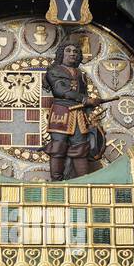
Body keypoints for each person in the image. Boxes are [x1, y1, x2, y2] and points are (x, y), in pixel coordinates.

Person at [43, 39, 105, 180]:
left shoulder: (80, 74)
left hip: (79, 114)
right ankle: (56, 181)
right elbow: (60, 90)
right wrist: (85, 100)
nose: (73, 53)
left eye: (76, 51)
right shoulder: (54, 71)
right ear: (61, 54)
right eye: (68, 50)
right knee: (58, 147)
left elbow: (85, 95)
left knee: (81, 147)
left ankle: (83, 180)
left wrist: (90, 107)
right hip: (61, 113)